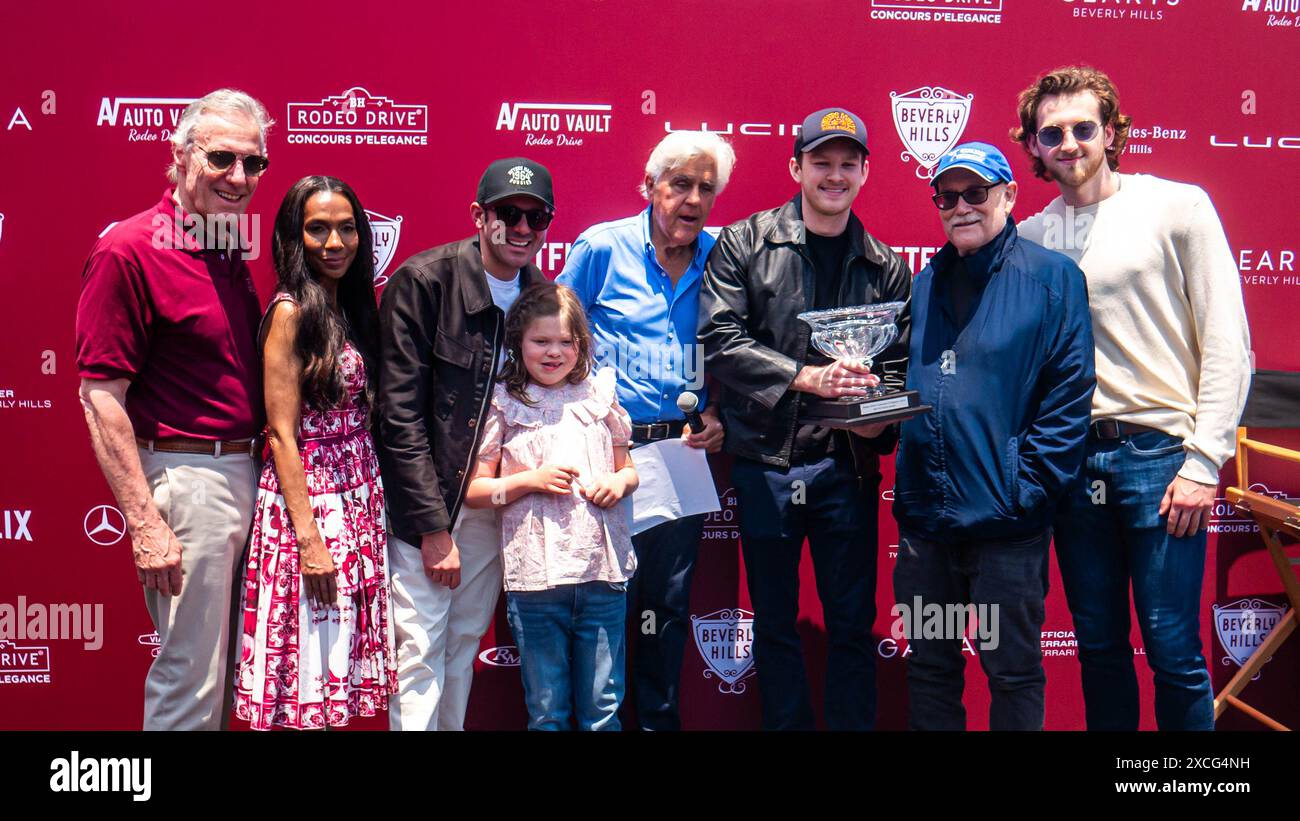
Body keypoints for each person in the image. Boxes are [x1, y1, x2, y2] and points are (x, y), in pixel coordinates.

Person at [1013, 66, 1252, 730]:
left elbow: (1229, 341)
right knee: (1099, 650)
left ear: (1112, 131)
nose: (1069, 142)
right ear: (1033, 145)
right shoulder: (1029, 239)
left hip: (1161, 461)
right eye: (1051, 132)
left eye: (1084, 127)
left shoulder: (1178, 207)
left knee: (1174, 651)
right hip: (1072, 464)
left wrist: (1204, 462)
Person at [698, 107, 912, 730]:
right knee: (774, 624)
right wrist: (806, 377)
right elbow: (718, 338)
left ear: (866, 172)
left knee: (852, 627)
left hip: (846, 471)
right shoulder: (746, 242)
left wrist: (876, 421)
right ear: (797, 167)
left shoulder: (886, 265)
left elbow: (896, 369)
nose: (834, 176)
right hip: (767, 464)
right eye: (822, 163)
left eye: (848, 164)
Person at [76, 88, 273, 730]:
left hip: (247, 474)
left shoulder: (226, 245)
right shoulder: (128, 250)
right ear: (181, 155)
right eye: (221, 158)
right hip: (189, 484)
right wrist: (146, 524)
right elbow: (100, 396)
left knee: (224, 681)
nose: (238, 177)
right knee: (192, 679)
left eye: (254, 163)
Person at [891, 142, 1095, 730]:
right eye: (947, 196)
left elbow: (1068, 396)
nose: (961, 207)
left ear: (1008, 196)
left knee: (1011, 672)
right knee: (931, 666)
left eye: (976, 193)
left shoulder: (1052, 280)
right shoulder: (923, 283)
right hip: (927, 529)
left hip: (1007, 532)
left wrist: (1023, 491)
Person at [556, 130, 733, 730]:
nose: (692, 199)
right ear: (650, 186)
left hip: (680, 454)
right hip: (605, 454)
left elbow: (741, 353)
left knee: (668, 607)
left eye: (705, 188)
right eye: (679, 184)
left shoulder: (722, 260)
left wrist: (719, 414)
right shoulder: (600, 250)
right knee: (602, 608)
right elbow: (549, 341)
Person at [377, 157, 553, 731]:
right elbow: (398, 416)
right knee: (419, 653)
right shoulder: (425, 281)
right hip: (433, 506)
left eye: (537, 217)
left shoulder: (541, 296)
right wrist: (431, 527)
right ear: (480, 216)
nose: (524, 229)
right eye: (510, 214)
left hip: (494, 503)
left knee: (460, 645)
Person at [232, 176, 394, 729]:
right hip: (313, 506)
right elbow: (281, 434)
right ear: (293, 238)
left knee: (337, 668)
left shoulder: (349, 305)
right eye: (318, 229)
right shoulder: (290, 312)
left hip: (358, 500)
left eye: (347, 228)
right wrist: (309, 540)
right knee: (305, 669)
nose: (335, 243)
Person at [464, 282, 639, 730]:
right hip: (536, 583)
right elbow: (476, 490)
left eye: (566, 342)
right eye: (541, 341)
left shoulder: (599, 397)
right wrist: (529, 481)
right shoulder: (504, 402)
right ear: (519, 342)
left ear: (581, 346)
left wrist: (617, 484)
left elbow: (629, 470)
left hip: (602, 577)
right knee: (547, 712)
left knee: (603, 710)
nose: (553, 352)